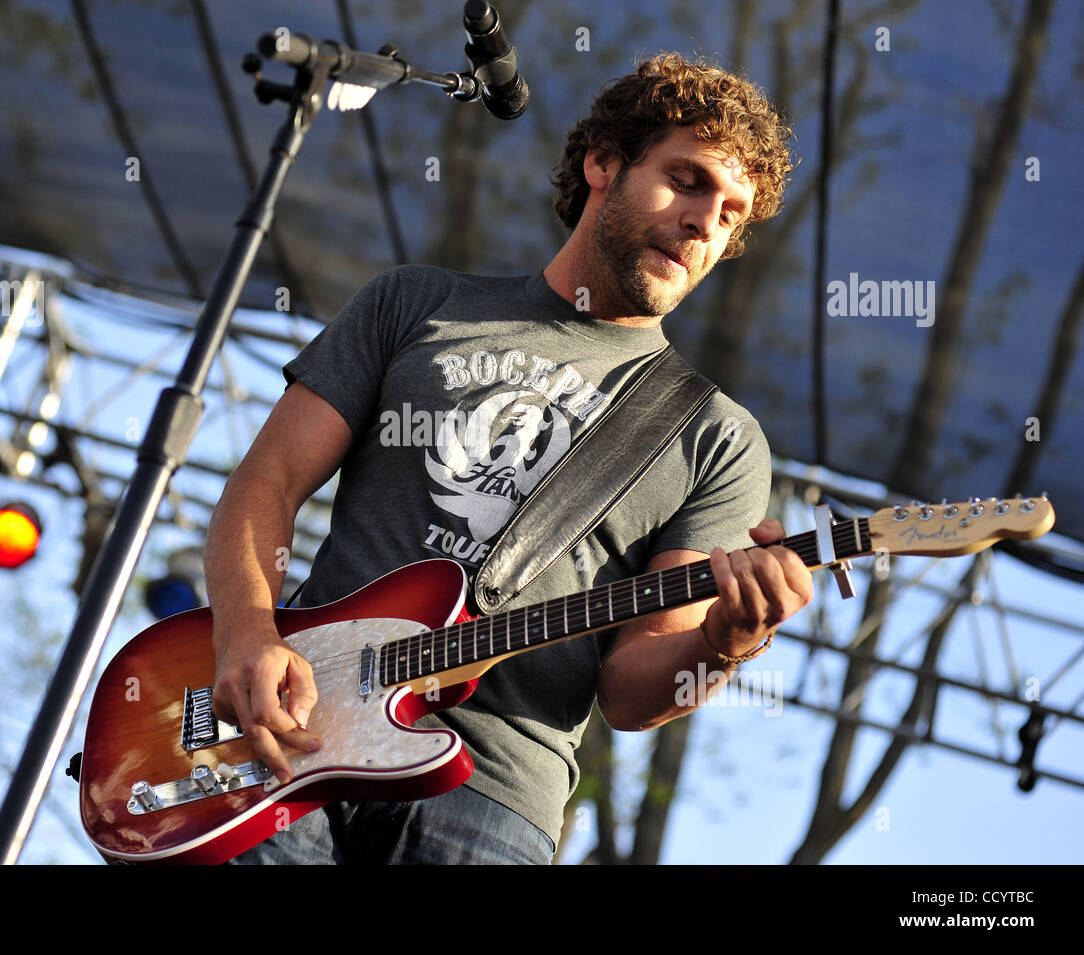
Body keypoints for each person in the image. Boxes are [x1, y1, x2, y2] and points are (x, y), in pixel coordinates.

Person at [204, 53, 811, 864]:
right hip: (298, 726)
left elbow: (632, 692)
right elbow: (266, 481)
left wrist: (724, 644)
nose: (707, 222)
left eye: (732, 213)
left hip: (493, 801)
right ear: (603, 161)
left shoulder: (717, 437)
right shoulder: (418, 304)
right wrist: (244, 631)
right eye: (688, 179)